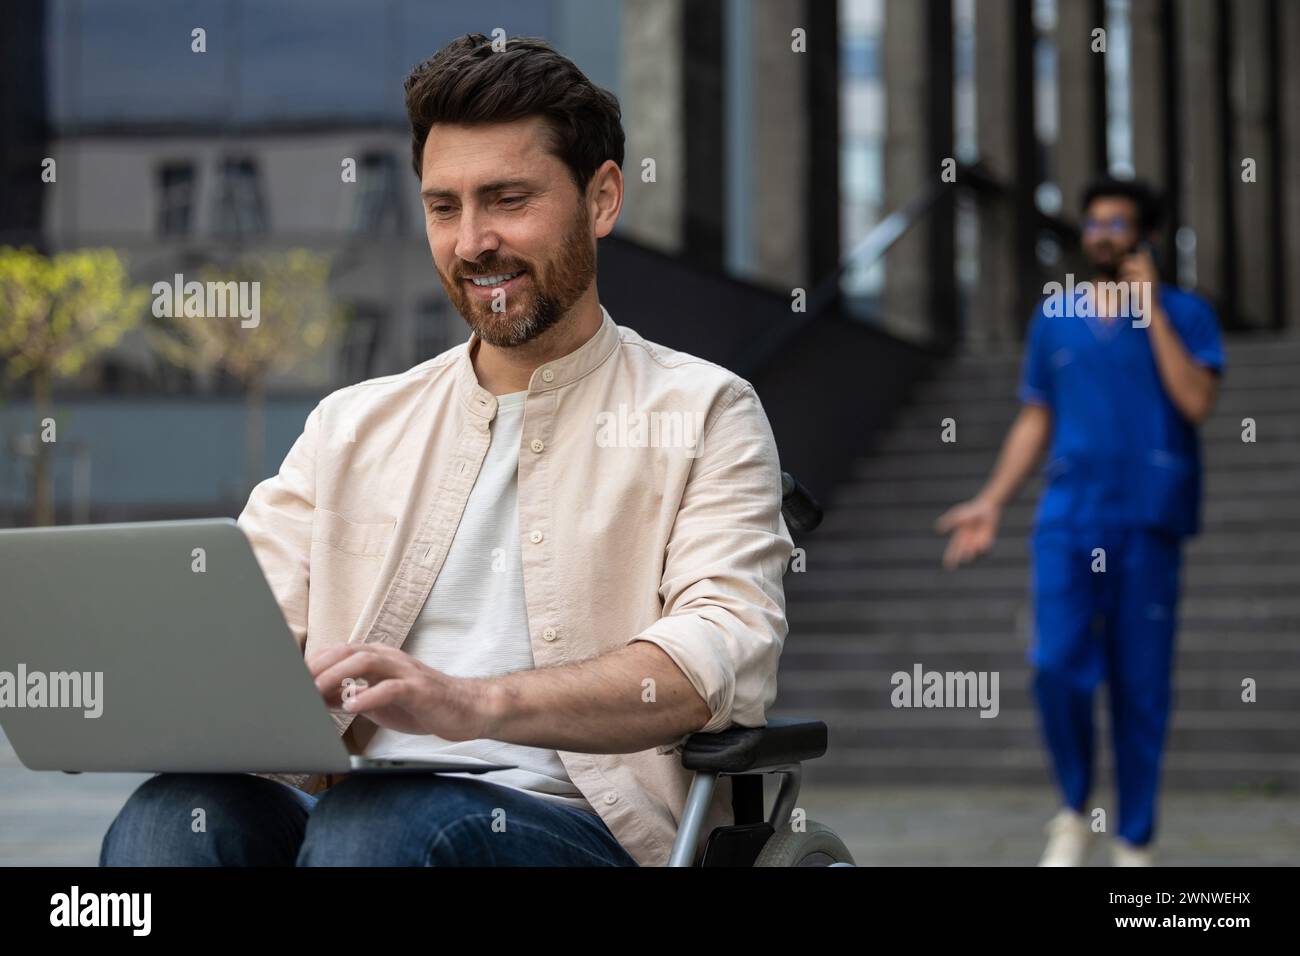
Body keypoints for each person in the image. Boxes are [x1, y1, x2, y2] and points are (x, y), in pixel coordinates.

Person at [100, 34, 792, 868]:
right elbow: (246, 624)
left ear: (603, 199)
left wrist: (474, 702)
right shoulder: (351, 424)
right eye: (444, 207)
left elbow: (719, 654)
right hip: (343, 812)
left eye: (506, 199)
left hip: (576, 830)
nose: (471, 243)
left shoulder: (704, 410)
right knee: (168, 818)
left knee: (377, 829)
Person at [936, 177, 1225, 866]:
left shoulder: (1187, 314)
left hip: (1148, 520)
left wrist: (1149, 305)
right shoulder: (1055, 317)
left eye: (1116, 222)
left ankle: (1134, 837)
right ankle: (1074, 809)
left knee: (1141, 685)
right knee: (1056, 665)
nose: (1100, 234)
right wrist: (992, 500)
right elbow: (1038, 414)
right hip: (1068, 520)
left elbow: (1197, 401)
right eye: (1092, 222)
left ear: (1145, 235)